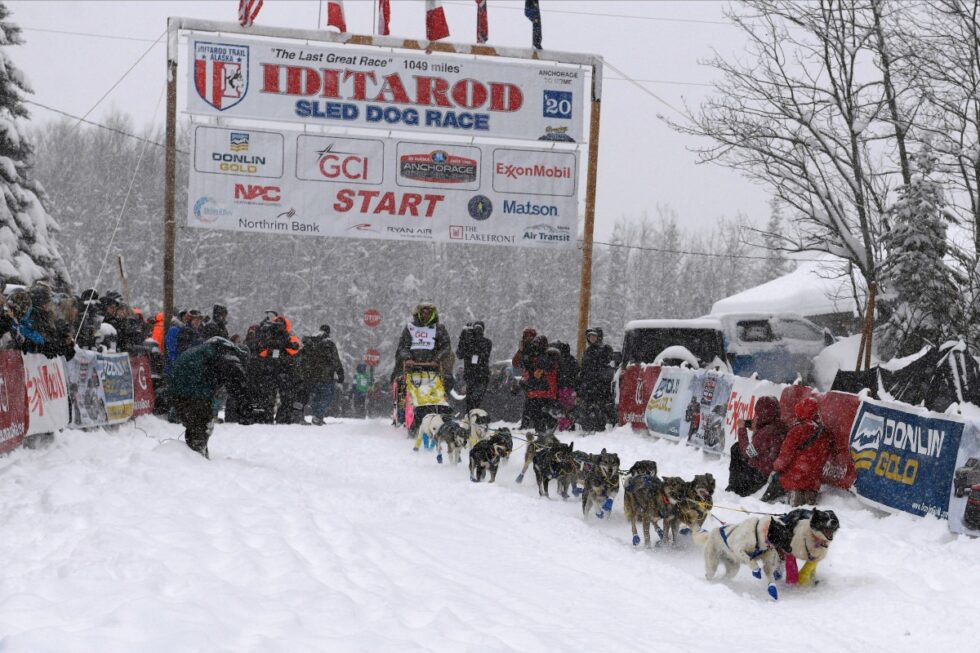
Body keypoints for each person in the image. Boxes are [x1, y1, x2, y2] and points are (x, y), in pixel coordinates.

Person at [169, 337, 257, 458]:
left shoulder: (214, 349)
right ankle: (196, 457)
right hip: (193, 386)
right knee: (203, 421)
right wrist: (245, 405)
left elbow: (230, 383)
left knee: (195, 420)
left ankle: (192, 453)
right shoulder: (231, 356)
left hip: (177, 384)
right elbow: (237, 382)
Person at [394, 302, 453, 434]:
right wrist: (408, 358)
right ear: (419, 313)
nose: (426, 315)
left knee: (437, 395)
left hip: (433, 370)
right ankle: (412, 420)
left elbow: (446, 347)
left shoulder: (439, 329)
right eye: (423, 312)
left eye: (429, 313)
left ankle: (438, 418)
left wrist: (436, 359)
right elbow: (402, 347)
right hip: (412, 369)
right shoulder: (410, 328)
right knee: (412, 396)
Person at [767, 397, 830, 506]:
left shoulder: (797, 431)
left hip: (794, 480)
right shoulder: (824, 434)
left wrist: (775, 468)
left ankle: (764, 503)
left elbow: (784, 458)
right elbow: (822, 459)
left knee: (775, 481)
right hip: (812, 483)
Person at [727, 396, 787, 496]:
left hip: (758, 475)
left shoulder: (764, 434)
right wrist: (752, 425)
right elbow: (765, 425)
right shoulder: (780, 426)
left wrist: (742, 429)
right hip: (770, 469)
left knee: (736, 448)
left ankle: (735, 487)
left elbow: (747, 452)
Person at [299, 324, 345, 424]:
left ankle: (301, 415)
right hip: (325, 376)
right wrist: (340, 374)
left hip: (309, 376)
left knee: (308, 396)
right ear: (328, 333)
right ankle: (317, 416)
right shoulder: (329, 343)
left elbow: (302, 358)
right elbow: (336, 360)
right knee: (326, 397)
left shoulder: (310, 342)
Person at [577, 327, 614, 431]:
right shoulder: (587, 351)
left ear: (599, 337)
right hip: (588, 384)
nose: (592, 338)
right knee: (587, 407)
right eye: (590, 336)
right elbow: (584, 368)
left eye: (594, 336)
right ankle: (588, 427)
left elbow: (606, 363)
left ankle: (599, 427)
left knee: (599, 406)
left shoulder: (605, 349)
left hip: (600, 384)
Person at [520, 335, 559, 432]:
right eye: (535, 343)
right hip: (537, 390)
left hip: (544, 390)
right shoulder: (535, 356)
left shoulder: (548, 356)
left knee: (539, 413)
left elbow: (542, 369)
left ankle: (545, 427)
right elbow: (528, 369)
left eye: (537, 343)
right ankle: (540, 428)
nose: (535, 345)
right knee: (535, 412)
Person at [456, 321, 492, 412]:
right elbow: (459, 355)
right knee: (470, 402)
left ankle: (474, 417)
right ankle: (470, 419)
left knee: (476, 400)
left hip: (482, 376)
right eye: (476, 328)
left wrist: (471, 340)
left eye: (479, 328)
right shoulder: (467, 342)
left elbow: (484, 354)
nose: (477, 330)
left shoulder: (487, 342)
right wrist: (463, 338)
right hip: (470, 376)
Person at [554, 341, 579, 431]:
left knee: (562, 407)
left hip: (562, 387)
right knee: (569, 407)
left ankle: (564, 425)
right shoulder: (572, 360)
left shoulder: (559, 360)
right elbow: (576, 373)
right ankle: (569, 424)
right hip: (570, 388)